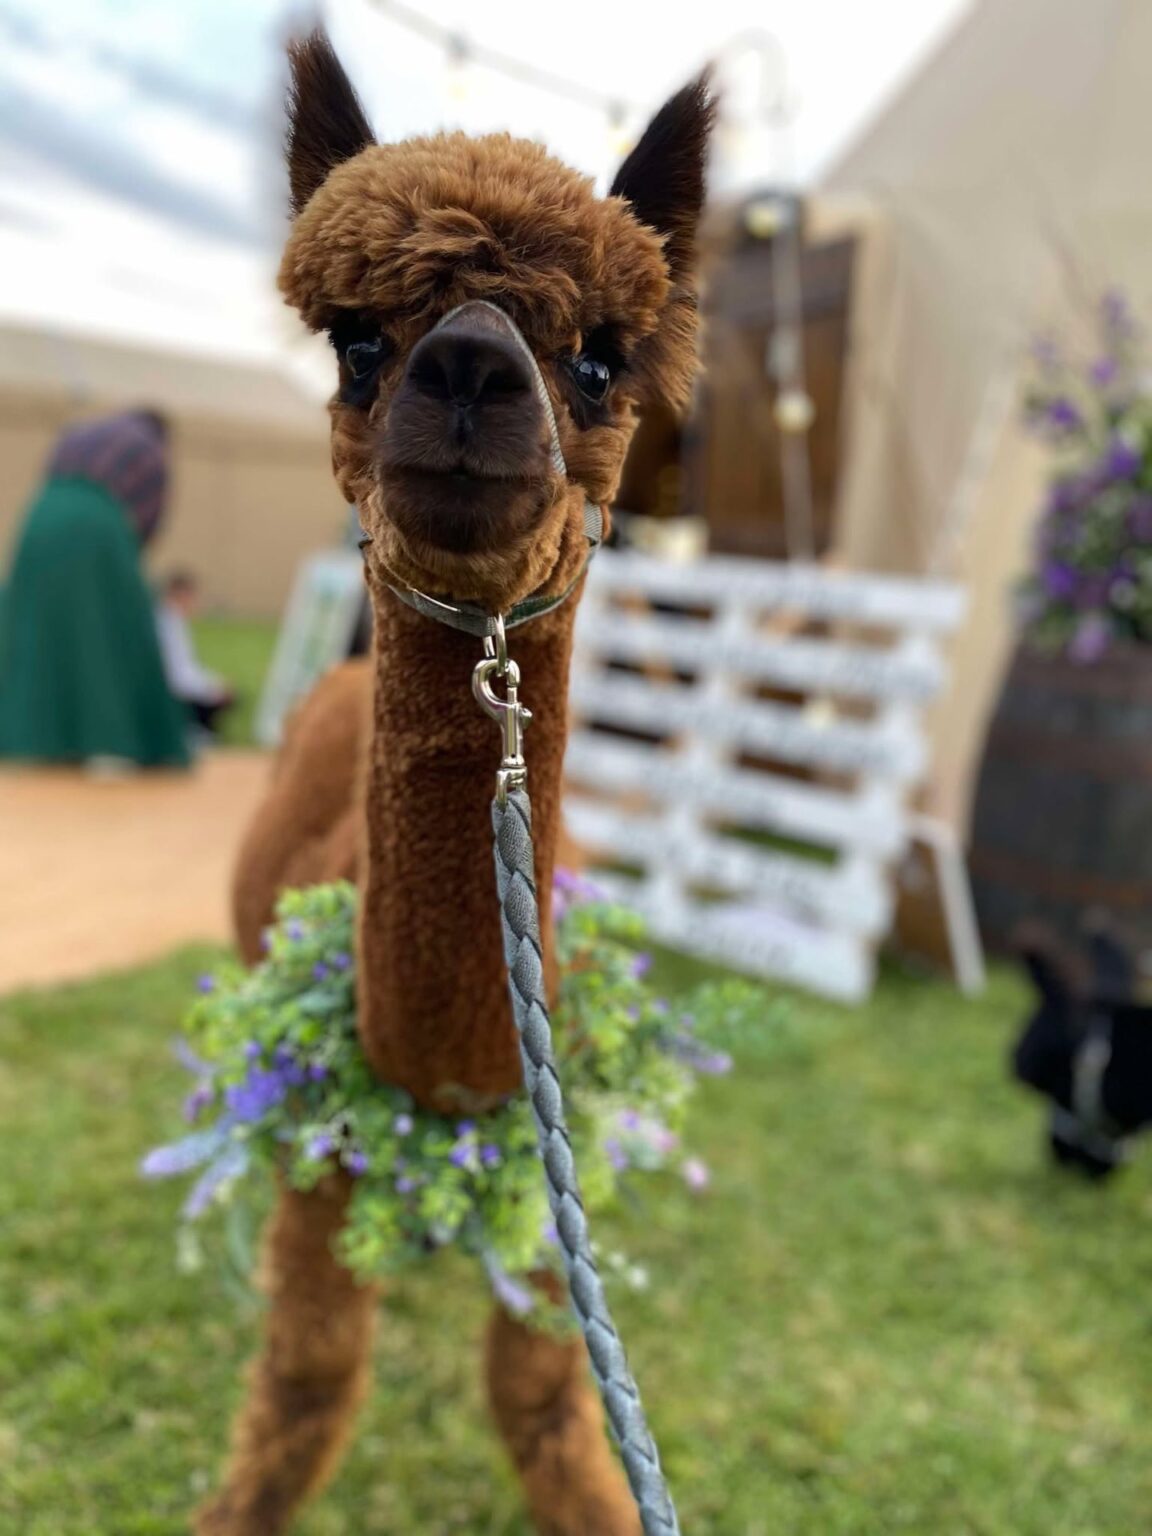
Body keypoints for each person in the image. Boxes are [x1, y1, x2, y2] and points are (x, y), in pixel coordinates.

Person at [0, 408, 191, 769]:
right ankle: (111, 743)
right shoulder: (152, 450)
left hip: (39, 517)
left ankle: (33, 739)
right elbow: (147, 523)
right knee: (108, 632)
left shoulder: (77, 433)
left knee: (36, 631)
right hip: (100, 524)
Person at [154, 570, 235, 738]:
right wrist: (212, 687)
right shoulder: (170, 624)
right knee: (224, 697)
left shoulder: (172, 621)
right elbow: (179, 673)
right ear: (182, 595)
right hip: (173, 692)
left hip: (176, 686)